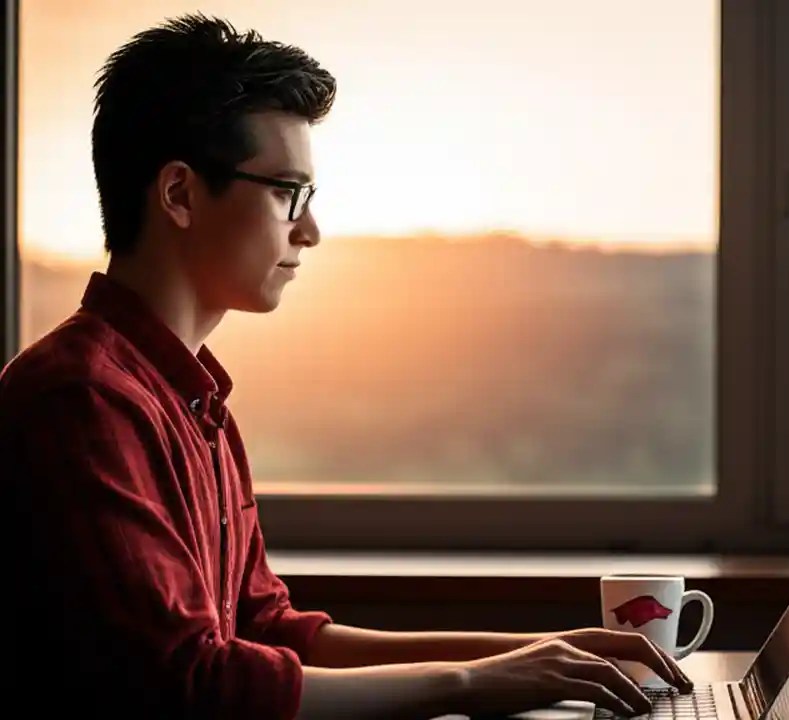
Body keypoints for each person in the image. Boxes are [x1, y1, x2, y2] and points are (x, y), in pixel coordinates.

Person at [0, 13, 692, 720]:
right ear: (178, 194)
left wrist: (532, 653)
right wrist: (474, 684)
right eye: (284, 192)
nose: (310, 230)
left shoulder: (193, 400)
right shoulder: (81, 400)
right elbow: (192, 683)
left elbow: (269, 631)